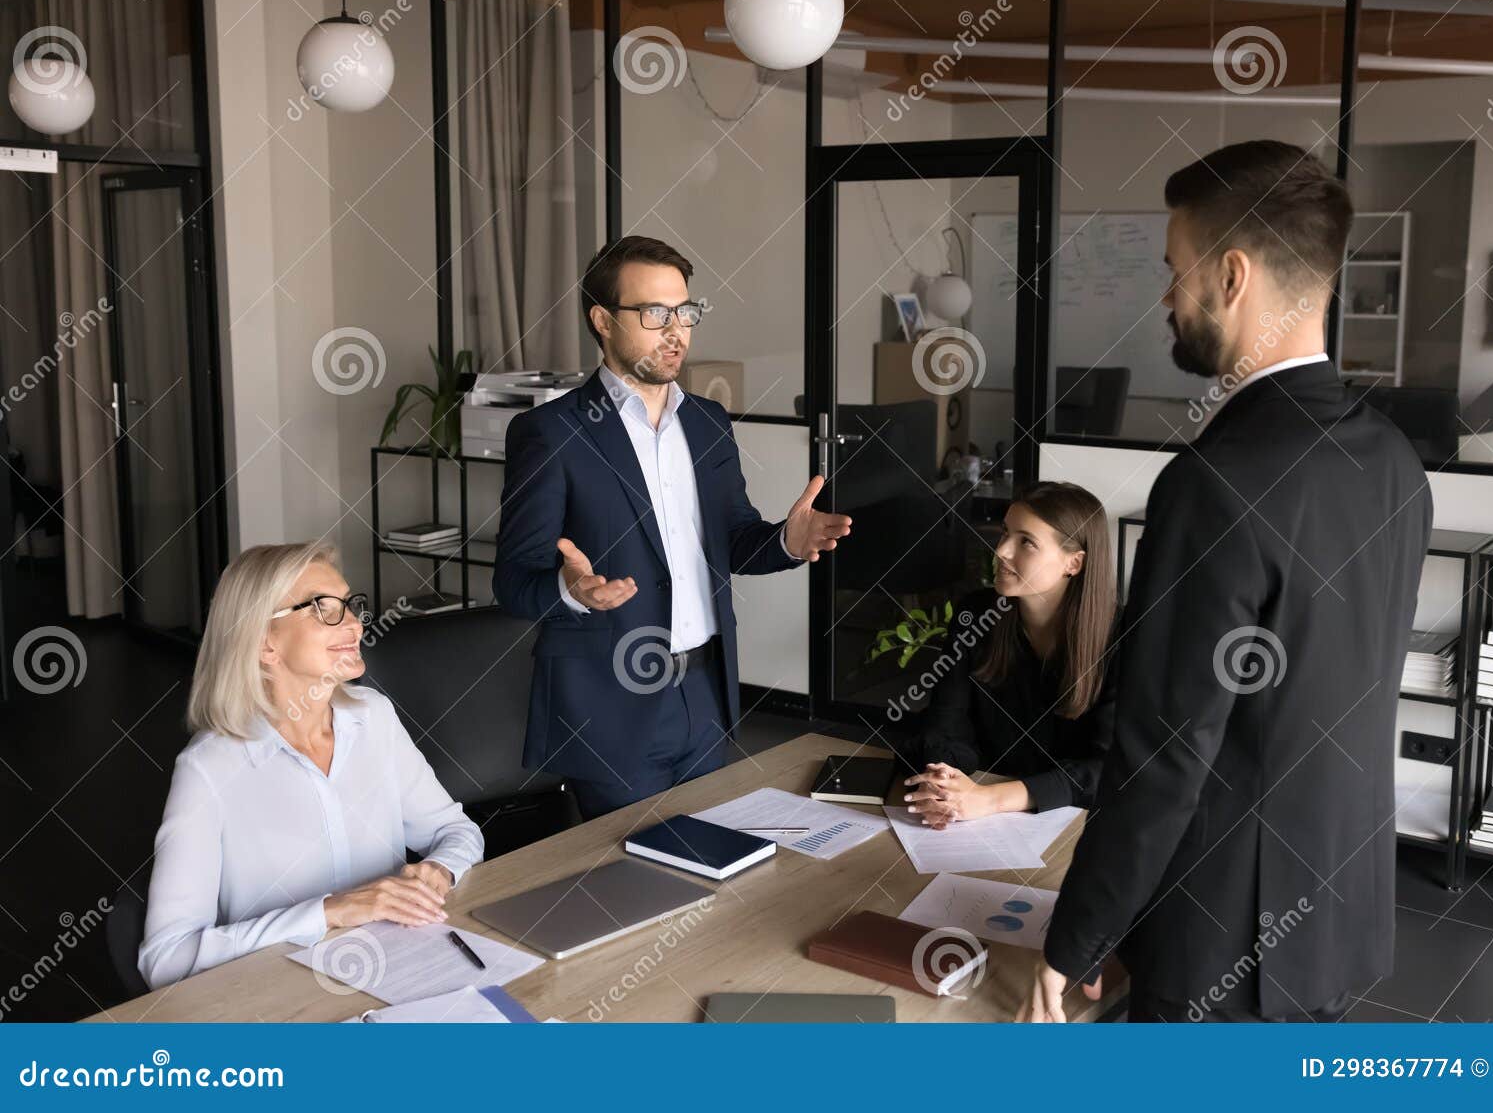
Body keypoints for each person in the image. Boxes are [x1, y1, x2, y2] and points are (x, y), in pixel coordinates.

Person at [1017, 141, 1432, 1023]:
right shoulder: (1393, 459)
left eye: (1175, 271)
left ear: (1232, 276)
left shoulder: (1214, 483)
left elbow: (1165, 752)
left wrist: (1076, 937)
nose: (1167, 299)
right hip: (1336, 913)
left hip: (1220, 940)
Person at [494, 235, 851, 818]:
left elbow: (733, 540)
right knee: (629, 867)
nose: (676, 330)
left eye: (685, 312)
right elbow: (512, 582)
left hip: (705, 693)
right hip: (608, 709)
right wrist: (572, 591)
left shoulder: (707, 421)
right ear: (603, 320)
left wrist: (786, 541)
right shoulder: (553, 433)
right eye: (654, 313)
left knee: (710, 856)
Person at [138, 542, 484, 990]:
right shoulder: (208, 768)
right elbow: (166, 959)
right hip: (282, 999)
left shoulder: (373, 716)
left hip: (401, 969)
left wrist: (438, 869)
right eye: (324, 609)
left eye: (350, 606)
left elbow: (455, 831)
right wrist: (331, 911)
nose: (356, 624)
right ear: (265, 642)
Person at [902, 482, 1117, 827]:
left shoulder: (1123, 637)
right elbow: (946, 724)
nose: (1001, 550)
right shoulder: (975, 615)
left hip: (1078, 822)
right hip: (983, 814)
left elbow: (1109, 768)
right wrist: (942, 783)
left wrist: (991, 799)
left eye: (1026, 542)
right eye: (1005, 532)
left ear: (1074, 563)